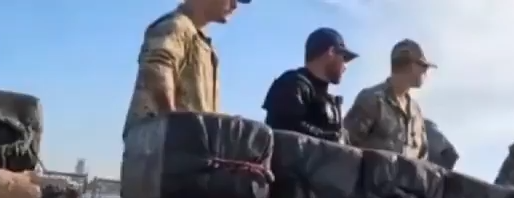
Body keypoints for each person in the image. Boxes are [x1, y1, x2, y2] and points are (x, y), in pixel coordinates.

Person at [122, 0, 252, 138]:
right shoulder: (175, 25)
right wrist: (172, 121)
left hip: (185, 141)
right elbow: (157, 68)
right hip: (157, 140)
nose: (235, 6)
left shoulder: (202, 42)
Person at [261, 27, 356, 142]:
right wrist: (331, 139)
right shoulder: (291, 84)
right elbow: (286, 129)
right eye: (344, 58)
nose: (345, 66)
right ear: (331, 52)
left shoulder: (329, 101)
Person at [343, 39, 434, 158]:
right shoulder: (372, 99)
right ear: (408, 65)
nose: (425, 72)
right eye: (423, 66)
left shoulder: (416, 111)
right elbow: (346, 145)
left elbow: (422, 156)